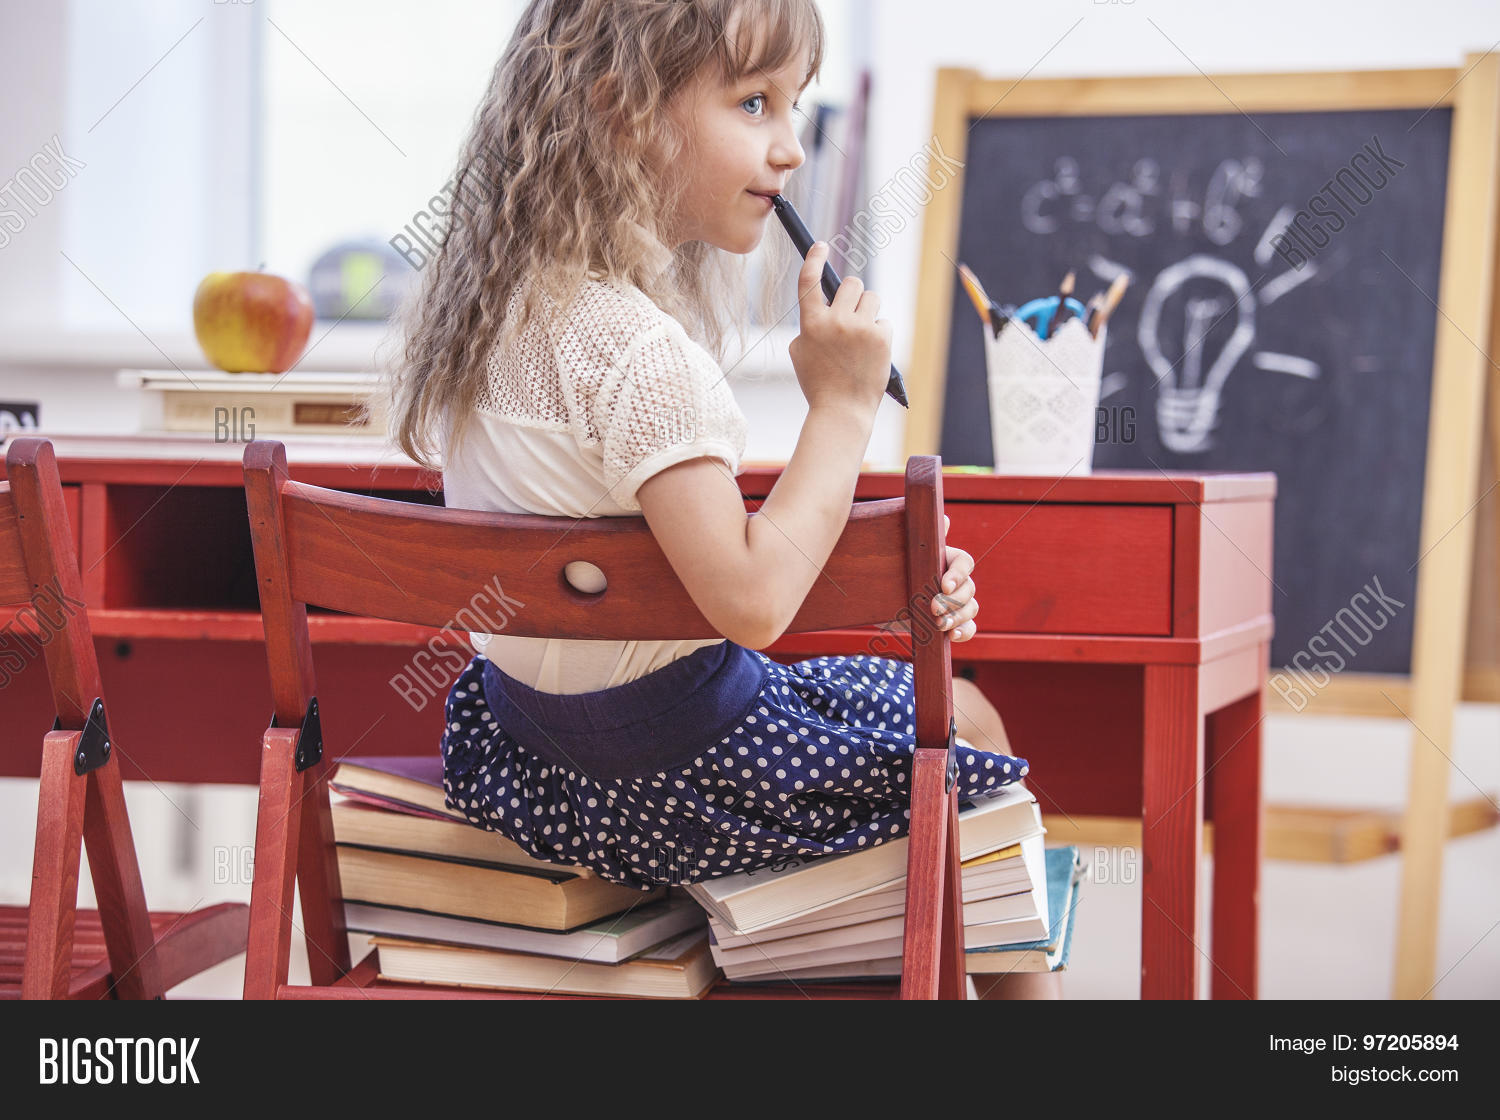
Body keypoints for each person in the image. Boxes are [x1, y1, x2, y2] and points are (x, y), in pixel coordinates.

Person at [374, 0, 1057, 999]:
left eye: (795, 106)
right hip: (691, 783)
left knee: (878, 700)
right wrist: (845, 404)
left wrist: (906, 575)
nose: (788, 150)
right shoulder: (640, 357)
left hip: (535, 767)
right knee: (970, 719)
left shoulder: (490, 321)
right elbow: (753, 601)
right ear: (621, 113)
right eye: (752, 102)